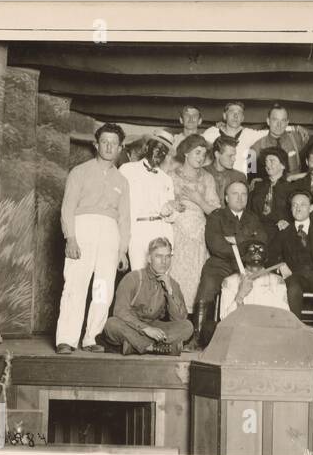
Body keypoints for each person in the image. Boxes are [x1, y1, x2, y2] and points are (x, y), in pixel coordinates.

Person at [55, 123, 131, 354]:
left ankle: (91, 337)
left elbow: (124, 218)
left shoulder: (122, 181)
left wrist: (122, 250)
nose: (109, 146)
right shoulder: (80, 172)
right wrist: (70, 238)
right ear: (96, 145)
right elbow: (68, 207)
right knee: (75, 284)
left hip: (109, 234)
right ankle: (66, 339)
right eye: (104, 142)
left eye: (113, 143)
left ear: (120, 148)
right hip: (83, 227)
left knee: (102, 287)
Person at [194, 179, 269, 346]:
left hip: (247, 265)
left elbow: (261, 241)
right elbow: (216, 244)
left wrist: (235, 241)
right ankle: (198, 337)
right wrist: (247, 242)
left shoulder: (253, 218)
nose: (240, 198)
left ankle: (251, 337)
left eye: (243, 194)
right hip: (220, 264)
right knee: (208, 283)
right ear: (226, 198)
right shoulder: (216, 216)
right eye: (235, 194)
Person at [102, 237, 194, 355]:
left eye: (167, 257)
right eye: (158, 256)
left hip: (155, 327)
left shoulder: (172, 284)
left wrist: (170, 292)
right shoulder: (133, 278)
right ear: (149, 258)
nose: (164, 261)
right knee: (112, 324)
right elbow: (120, 311)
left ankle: (136, 346)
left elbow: (180, 319)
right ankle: (156, 347)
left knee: (187, 326)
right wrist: (146, 329)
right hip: (132, 326)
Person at [168, 133, 222, 315]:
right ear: (186, 153)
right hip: (176, 230)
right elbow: (161, 202)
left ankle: (192, 322)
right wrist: (172, 203)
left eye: (203, 154)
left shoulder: (207, 179)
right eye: (197, 153)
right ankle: (173, 316)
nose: (201, 157)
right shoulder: (170, 176)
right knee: (174, 274)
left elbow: (215, 212)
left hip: (198, 233)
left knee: (196, 278)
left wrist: (198, 200)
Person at [269, 190, 313, 313]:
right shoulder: (283, 233)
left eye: (303, 205)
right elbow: (270, 257)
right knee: (292, 288)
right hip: (295, 277)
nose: (298, 208)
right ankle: (294, 330)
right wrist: (280, 265)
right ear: (290, 209)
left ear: (311, 208)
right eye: (294, 205)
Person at [120, 132, 179, 271]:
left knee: (160, 277)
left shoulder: (166, 179)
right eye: (157, 147)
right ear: (147, 147)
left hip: (161, 230)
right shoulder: (127, 170)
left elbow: (172, 214)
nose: (160, 153)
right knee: (139, 275)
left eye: (164, 151)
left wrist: (171, 211)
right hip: (137, 231)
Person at [220, 240, 289, 320]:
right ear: (243, 256)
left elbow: (285, 316)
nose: (257, 251)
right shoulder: (230, 282)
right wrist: (240, 295)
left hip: (268, 329)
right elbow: (225, 320)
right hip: (242, 331)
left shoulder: (277, 281)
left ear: (266, 257)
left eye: (261, 249)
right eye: (252, 249)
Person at [202, 101, 265, 174]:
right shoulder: (211, 132)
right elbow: (193, 144)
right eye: (232, 112)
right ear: (225, 116)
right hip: (215, 180)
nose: (236, 116)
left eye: (239, 113)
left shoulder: (249, 134)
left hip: (239, 181)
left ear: (242, 118)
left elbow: (273, 131)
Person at [249, 103, 312, 175]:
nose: (279, 124)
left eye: (283, 120)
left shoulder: (298, 138)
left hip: (294, 184)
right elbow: (250, 174)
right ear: (268, 121)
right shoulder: (256, 147)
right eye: (275, 120)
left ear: (287, 122)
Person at [248, 147, 299, 234]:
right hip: (257, 231)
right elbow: (249, 210)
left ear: (283, 165)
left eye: (272, 161)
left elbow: (297, 214)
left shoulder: (292, 189)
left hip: (280, 233)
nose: (268, 165)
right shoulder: (257, 186)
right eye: (266, 161)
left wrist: (287, 222)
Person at [208, 138, 247, 202]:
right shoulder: (203, 172)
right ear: (217, 154)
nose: (234, 159)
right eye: (230, 156)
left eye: (234, 155)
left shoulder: (239, 177)